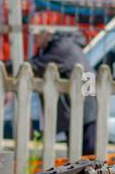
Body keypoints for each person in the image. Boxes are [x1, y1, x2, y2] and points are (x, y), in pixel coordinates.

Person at [26, 28, 97, 156]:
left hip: (84, 104)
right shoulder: (59, 45)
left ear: (47, 34)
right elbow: (36, 60)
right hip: (80, 103)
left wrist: (10, 66)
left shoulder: (61, 47)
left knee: (86, 150)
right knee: (78, 149)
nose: (36, 41)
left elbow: (37, 65)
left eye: (38, 36)